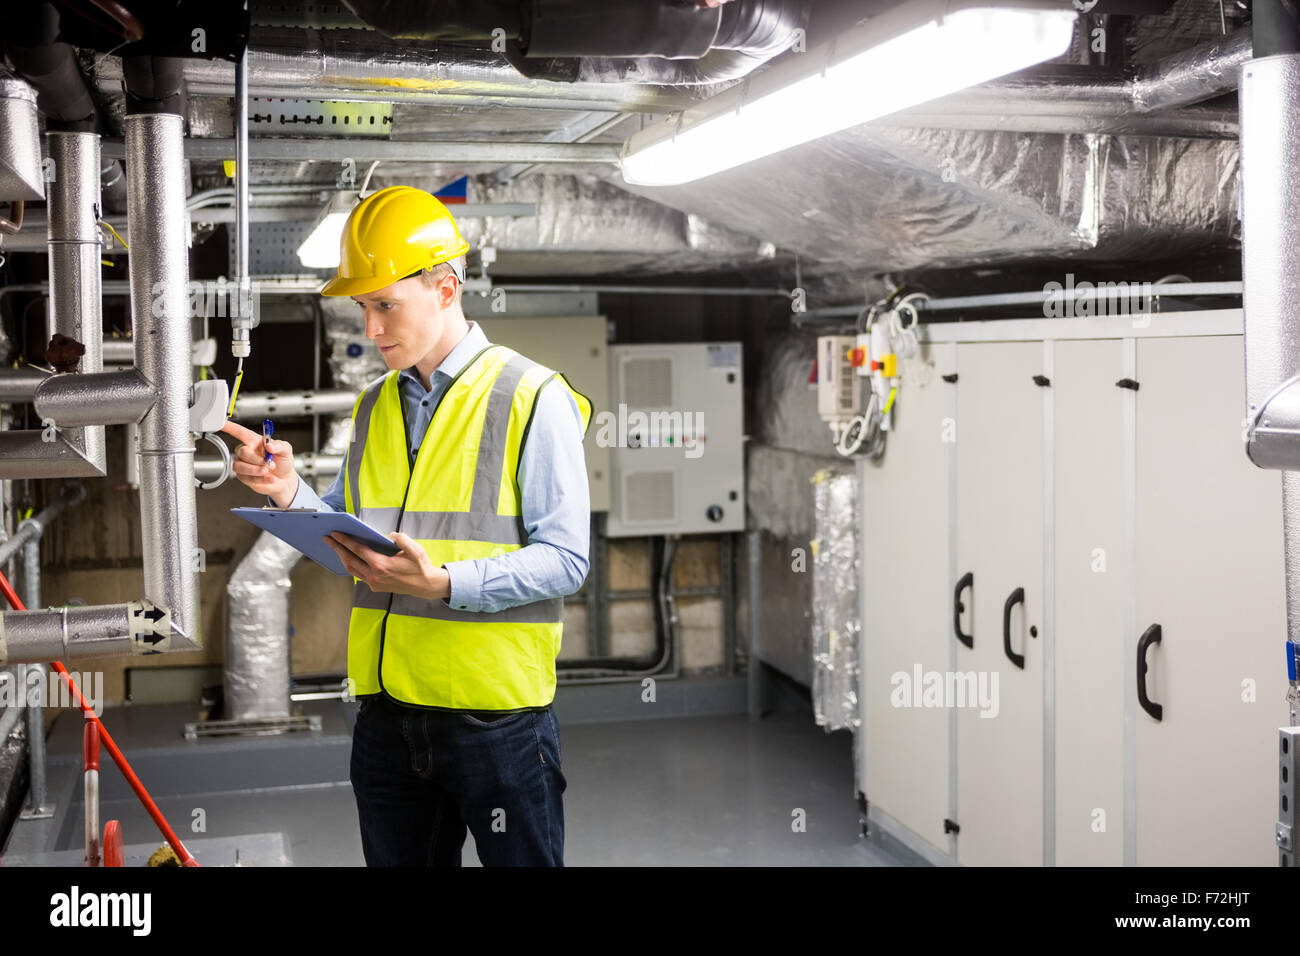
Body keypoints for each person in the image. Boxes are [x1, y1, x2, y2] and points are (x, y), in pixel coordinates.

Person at [221, 185, 592, 867]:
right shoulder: (374, 407)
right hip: (387, 719)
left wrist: (443, 583)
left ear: (446, 289)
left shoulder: (532, 397)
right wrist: (287, 490)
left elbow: (567, 560)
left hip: (497, 721)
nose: (370, 329)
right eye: (363, 307)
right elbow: (352, 548)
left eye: (385, 305)